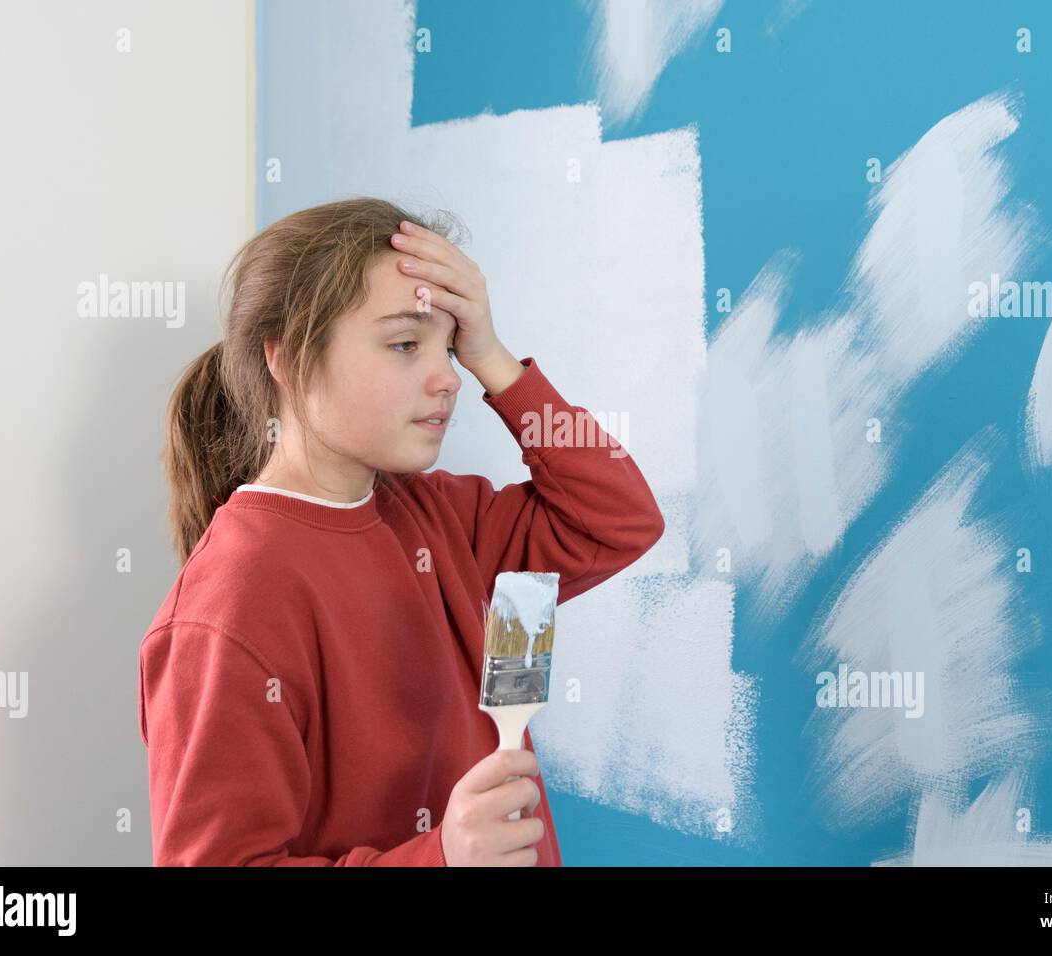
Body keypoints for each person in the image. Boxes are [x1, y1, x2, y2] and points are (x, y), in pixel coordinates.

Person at [139, 197, 665, 866]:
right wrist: (440, 857)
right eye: (405, 344)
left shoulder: (444, 517)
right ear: (289, 359)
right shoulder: (230, 605)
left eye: (451, 345)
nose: (449, 377)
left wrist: (497, 360)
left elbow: (617, 519)